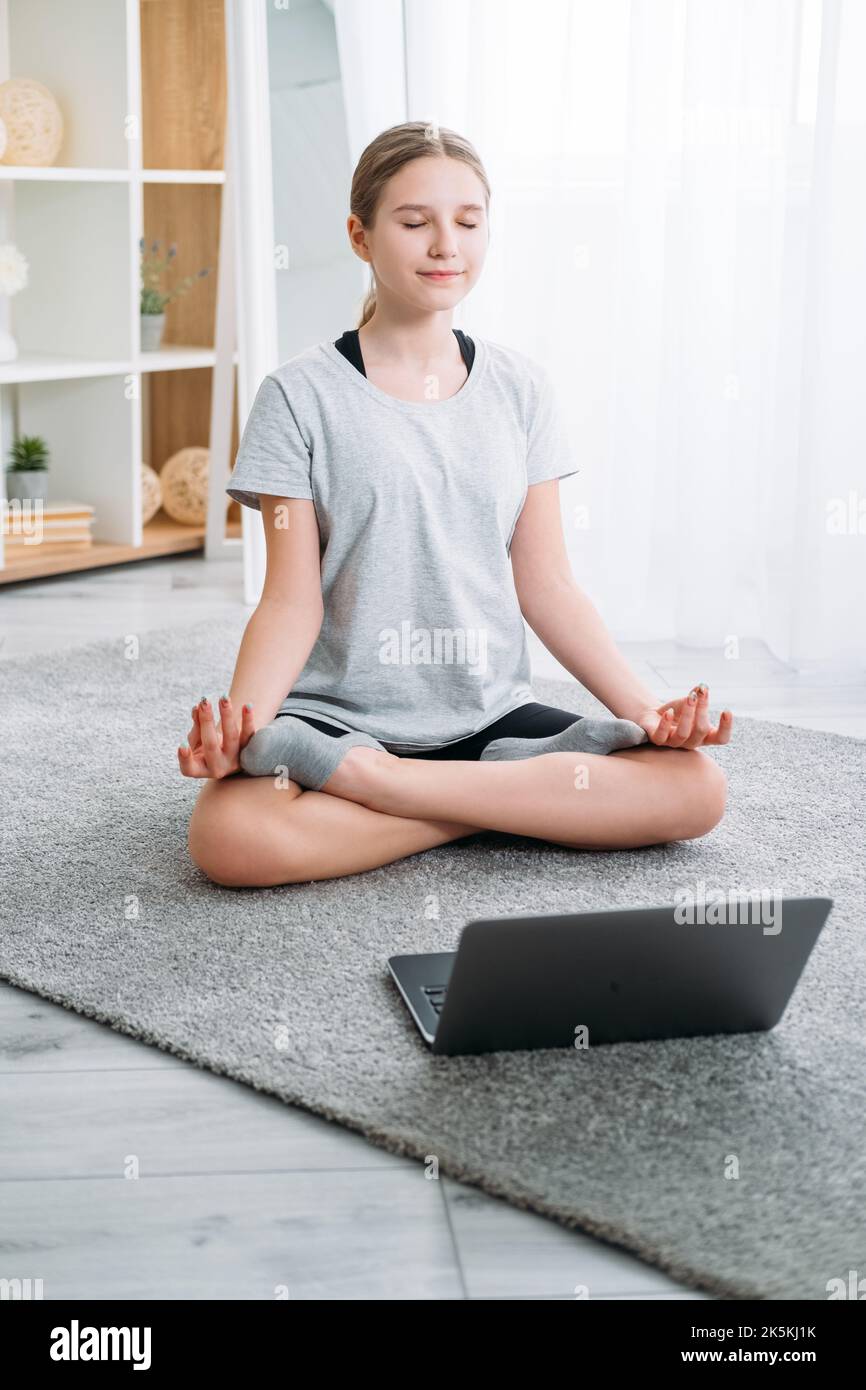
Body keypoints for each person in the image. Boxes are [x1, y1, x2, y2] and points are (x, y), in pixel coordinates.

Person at [180, 121, 731, 888]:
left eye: (468, 222)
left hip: (489, 724)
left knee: (695, 788)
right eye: (415, 223)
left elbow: (550, 587)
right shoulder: (297, 398)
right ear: (360, 236)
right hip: (340, 723)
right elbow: (289, 601)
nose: (447, 245)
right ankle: (505, 805)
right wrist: (243, 724)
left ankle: (389, 792)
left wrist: (650, 712)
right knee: (229, 836)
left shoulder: (521, 389)